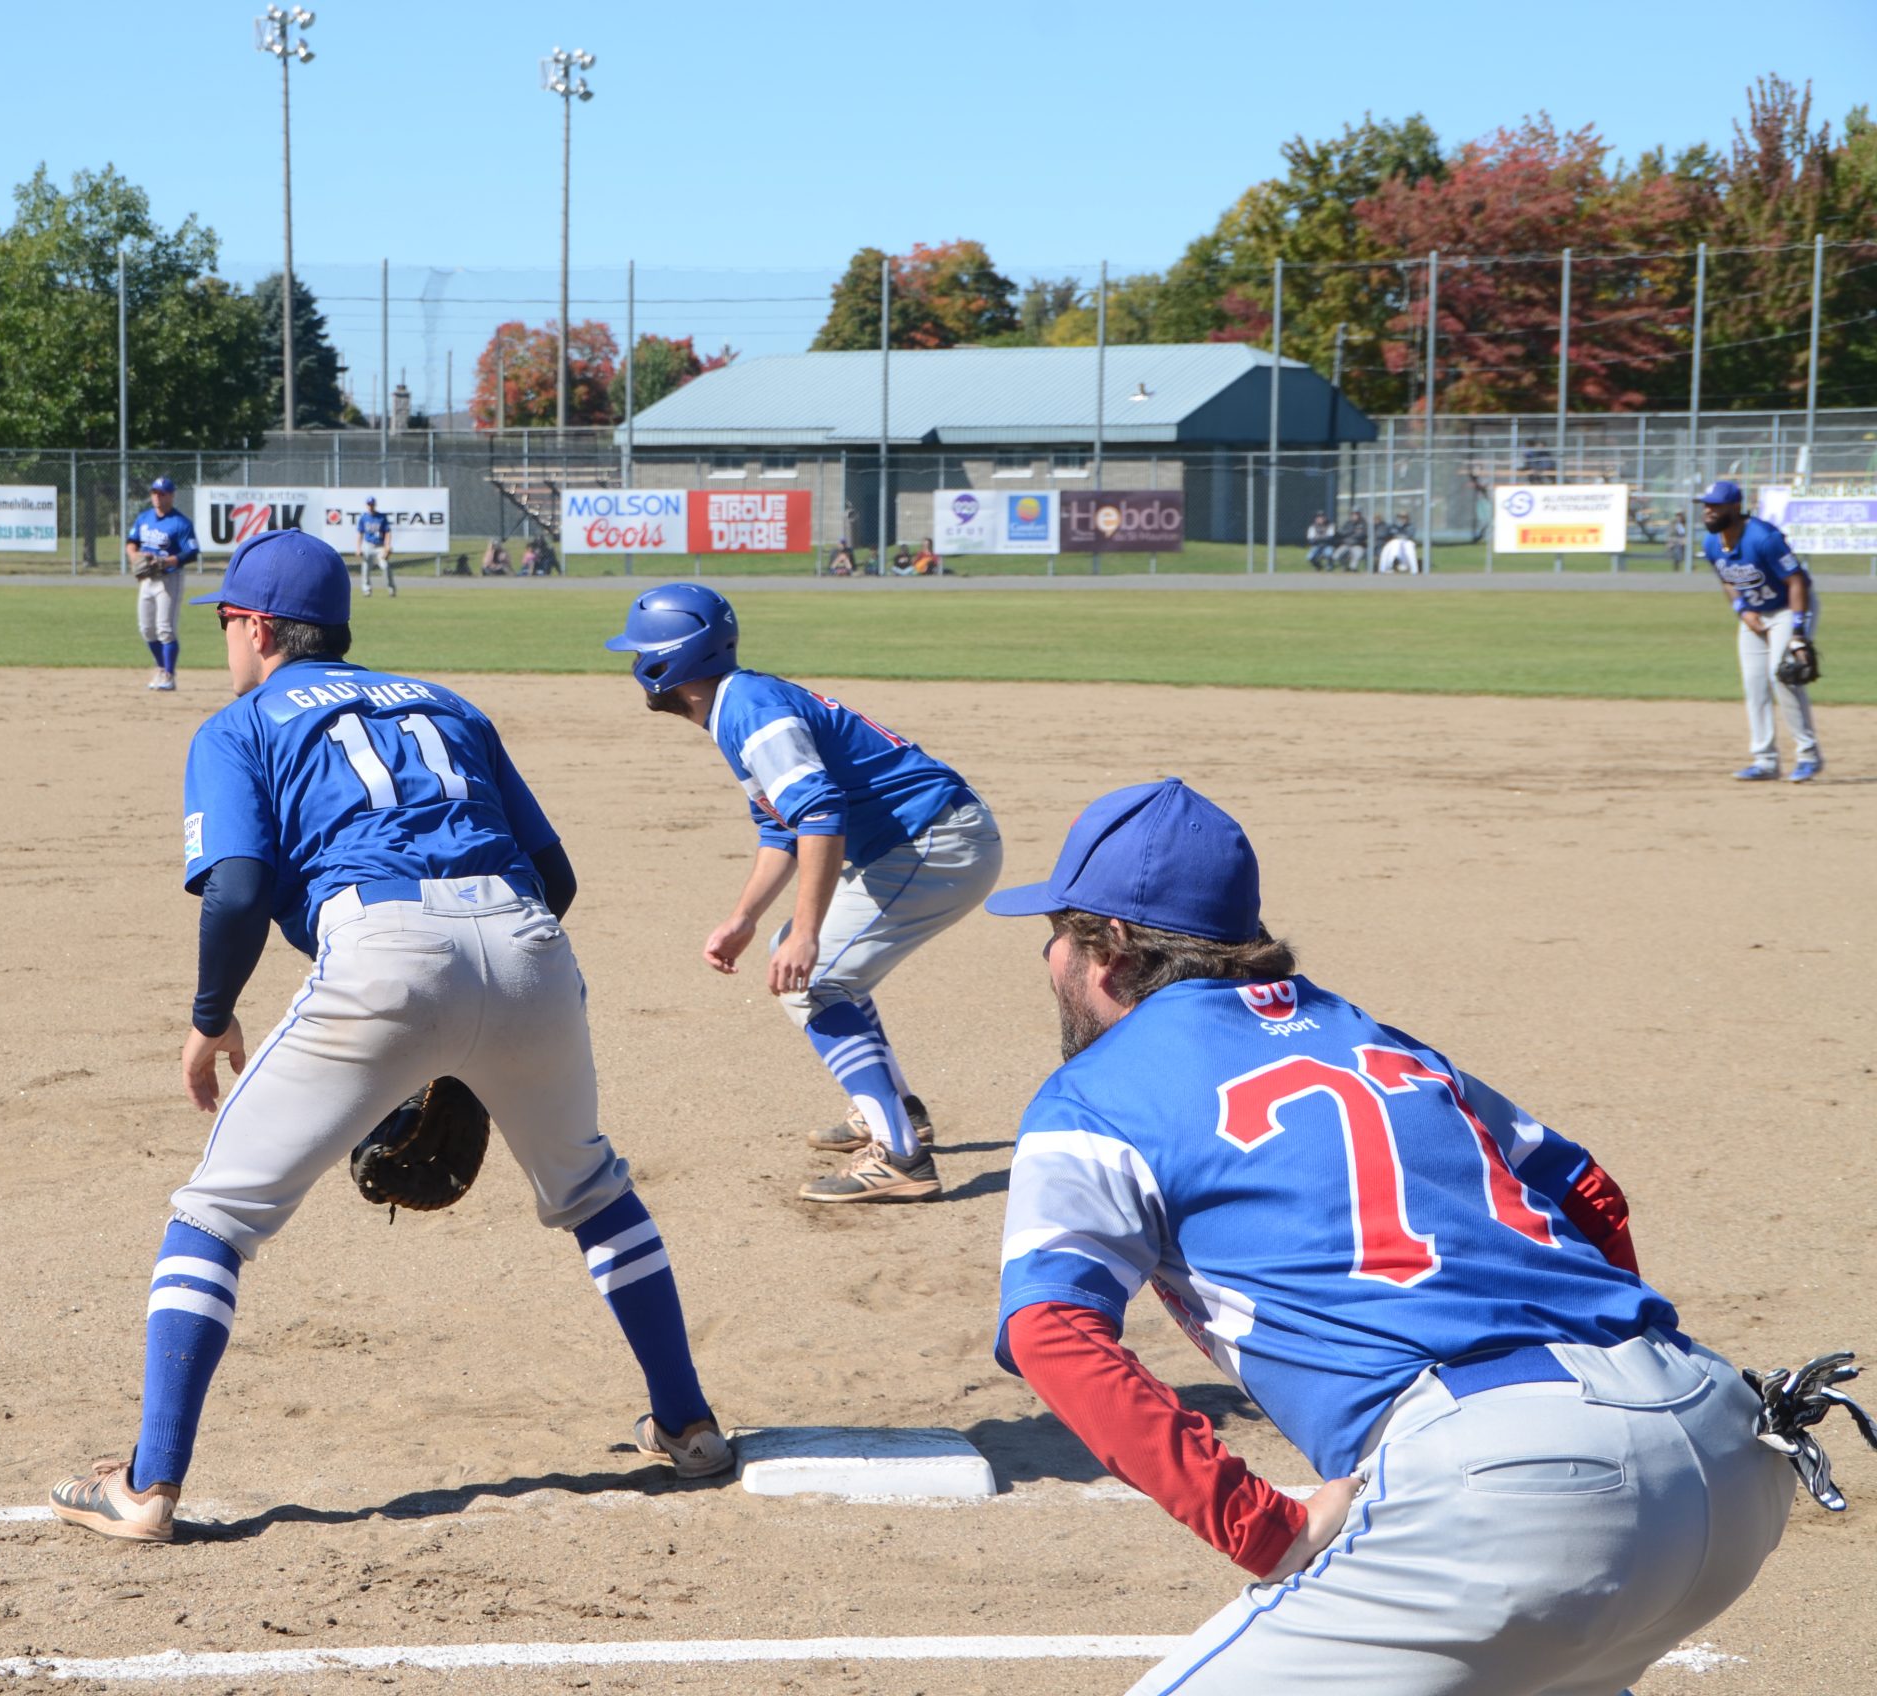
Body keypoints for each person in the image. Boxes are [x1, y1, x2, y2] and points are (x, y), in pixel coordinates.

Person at [985, 778, 1810, 1694]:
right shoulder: (1377, 1040)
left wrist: (1261, 1525)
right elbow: (1587, 1192)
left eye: (1059, 930)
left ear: (1114, 948)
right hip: (1721, 1443)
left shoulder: (1097, 1091)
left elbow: (1051, 1330)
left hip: (1515, 1493)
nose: (1052, 955)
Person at [46, 532, 732, 1541]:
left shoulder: (239, 726)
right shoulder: (448, 704)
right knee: (591, 1188)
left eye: (230, 621)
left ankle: (147, 1484)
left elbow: (235, 888)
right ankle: (691, 1427)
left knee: (214, 1214)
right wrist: (475, 1037)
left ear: (263, 629)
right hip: (527, 942)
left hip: (383, 949)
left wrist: (209, 1017)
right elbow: (560, 878)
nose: (227, 639)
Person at [604, 584, 1002, 1202]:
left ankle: (900, 1155)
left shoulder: (753, 712)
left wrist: (808, 932)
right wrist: (744, 917)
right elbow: (781, 825)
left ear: (670, 663)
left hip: (935, 842)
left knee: (812, 978)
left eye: (641, 655)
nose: (636, 668)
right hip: (925, 838)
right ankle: (892, 1109)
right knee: (800, 958)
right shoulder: (739, 704)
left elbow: (819, 814)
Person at [1697, 478, 1821, 782]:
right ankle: (1765, 760)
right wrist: (1743, 611)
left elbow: (1797, 582)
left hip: (1788, 610)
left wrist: (1797, 634)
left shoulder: (1763, 538)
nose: (1708, 511)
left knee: (1784, 677)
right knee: (1754, 683)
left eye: (1715, 506)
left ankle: (1808, 755)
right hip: (1755, 614)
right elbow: (1727, 579)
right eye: (1705, 506)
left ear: (1734, 507)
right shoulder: (1712, 543)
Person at [125, 475, 200, 692]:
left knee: (165, 629)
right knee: (146, 629)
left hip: (169, 579)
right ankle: (160, 668)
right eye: (154, 492)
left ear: (171, 495)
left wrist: (166, 561)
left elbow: (192, 552)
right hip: (147, 579)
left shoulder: (181, 523)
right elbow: (131, 543)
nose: (157, 497)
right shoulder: (144, 518)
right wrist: (136, 557)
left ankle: (168, 674)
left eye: (162, 493)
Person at [355, 495, 395, 597]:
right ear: (366, 505)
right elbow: (360, 533)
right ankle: (366, 590)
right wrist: (358, 548)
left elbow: (387, 532)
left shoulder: (381, 517)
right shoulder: (364, 517)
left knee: (385, 566)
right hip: (368, 545)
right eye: (369, 504)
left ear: (375, 505)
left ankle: (391, 589)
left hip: (380, 546)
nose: (370, 506)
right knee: (366, 568)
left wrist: (387, 546)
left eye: (372, 504)